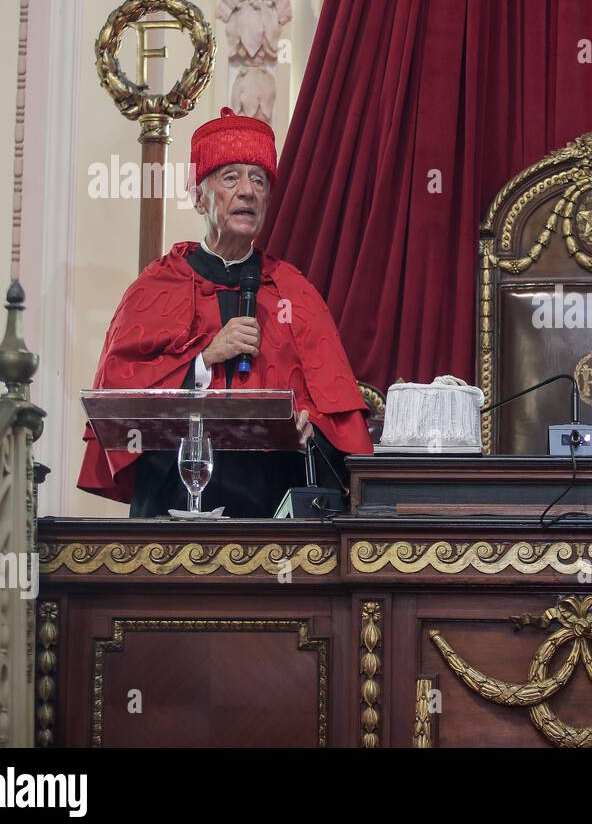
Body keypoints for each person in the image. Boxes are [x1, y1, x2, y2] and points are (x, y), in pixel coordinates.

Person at [78, 108, 373, 517]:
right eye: (230, 178)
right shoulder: (156, 287)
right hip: (174, 506)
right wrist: (204, 359)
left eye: (259, 179)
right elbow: (122, 402)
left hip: (272, 518)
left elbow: (339, 428)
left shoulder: (294, 292)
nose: (248, 191)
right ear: (199, 196)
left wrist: (313, 430)